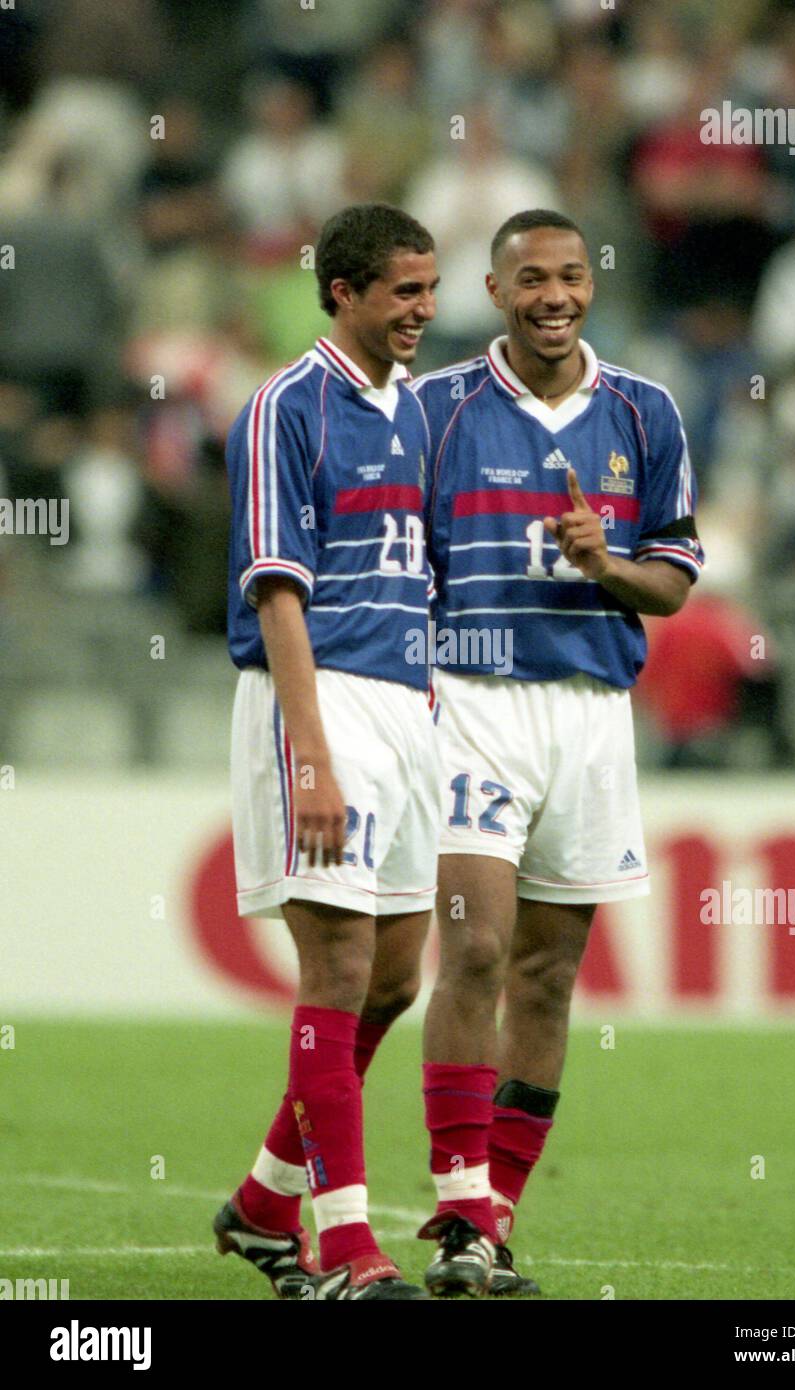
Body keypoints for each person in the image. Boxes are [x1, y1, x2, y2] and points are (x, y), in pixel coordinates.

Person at [411, 209, 704, 1296]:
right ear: (494, 290)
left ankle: (493, 1222)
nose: (554, 294)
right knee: (476, 950)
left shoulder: (645, 408)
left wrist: (605, 564)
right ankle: (452, 1205)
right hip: (471, 698)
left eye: (572, 275)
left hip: (589, 710)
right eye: (531, 277)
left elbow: (671, 580)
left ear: (593, 281)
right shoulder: (435, 409)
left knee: (545, 974)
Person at [215, 203, 439, 1301]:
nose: (424, 310)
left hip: (406, 702)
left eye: (430, 289)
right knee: (339, 968)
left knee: (395, 979)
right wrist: (309, 750)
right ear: (342, 292)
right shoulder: (282, 406)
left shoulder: (417, 411)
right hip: (318, 696)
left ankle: (263, 1201)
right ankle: (347, 1248)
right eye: (403, 291)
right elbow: (276, 587)